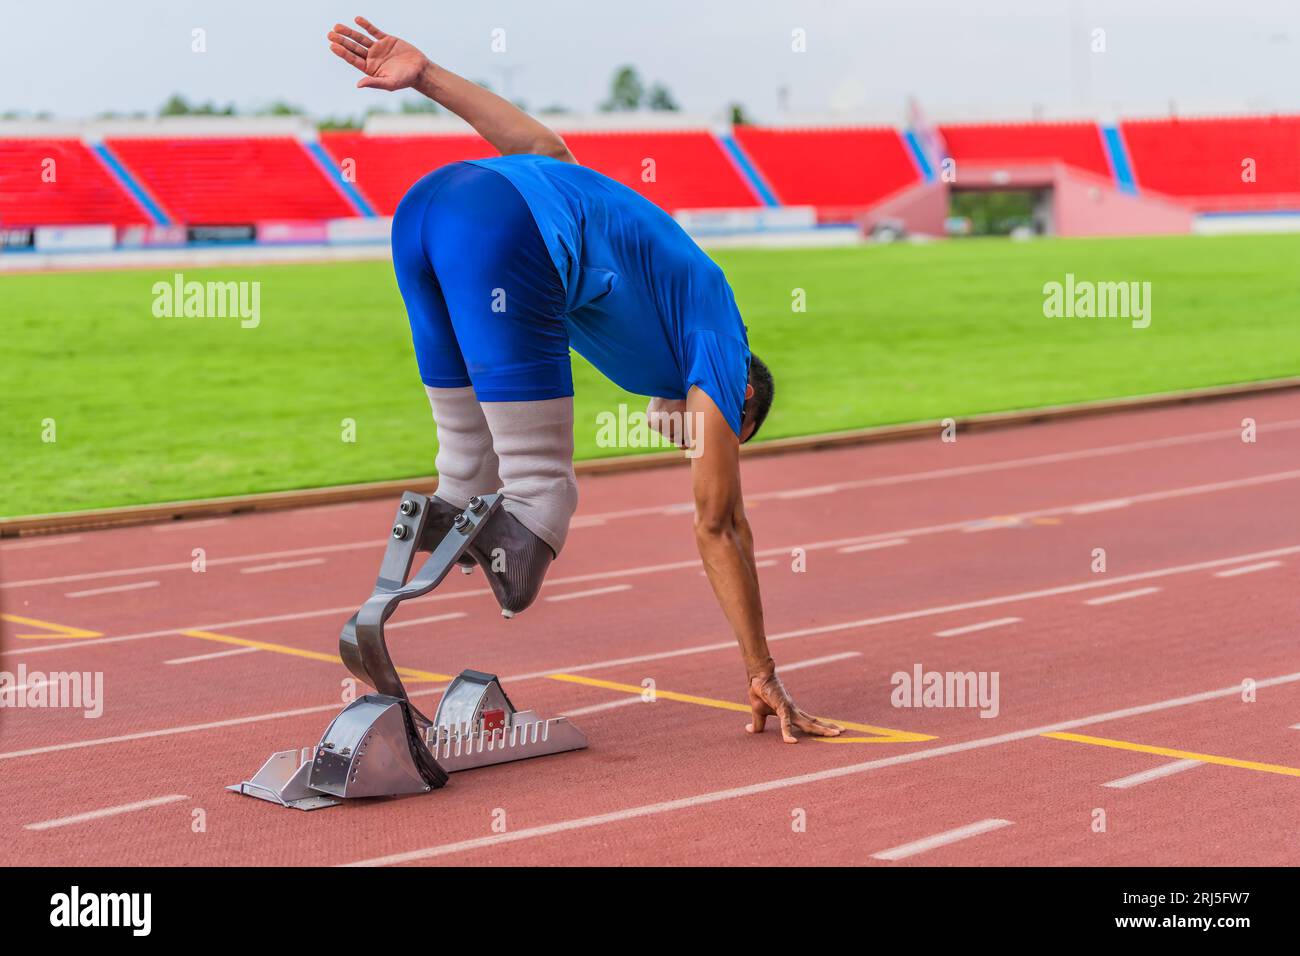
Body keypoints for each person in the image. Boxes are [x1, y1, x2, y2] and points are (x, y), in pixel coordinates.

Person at [327, 16, 840, 743]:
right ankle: (483, 561)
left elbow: (546, 154)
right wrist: (762, 668)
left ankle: (370, 642)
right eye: (722, 431)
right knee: (541, 497)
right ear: (740, 399)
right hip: (502, 230)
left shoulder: (659, 312)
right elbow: (719, 522)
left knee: (466, 477)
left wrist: (426, 75)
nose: (695, 441)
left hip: (426, 212)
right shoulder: (720, 343)